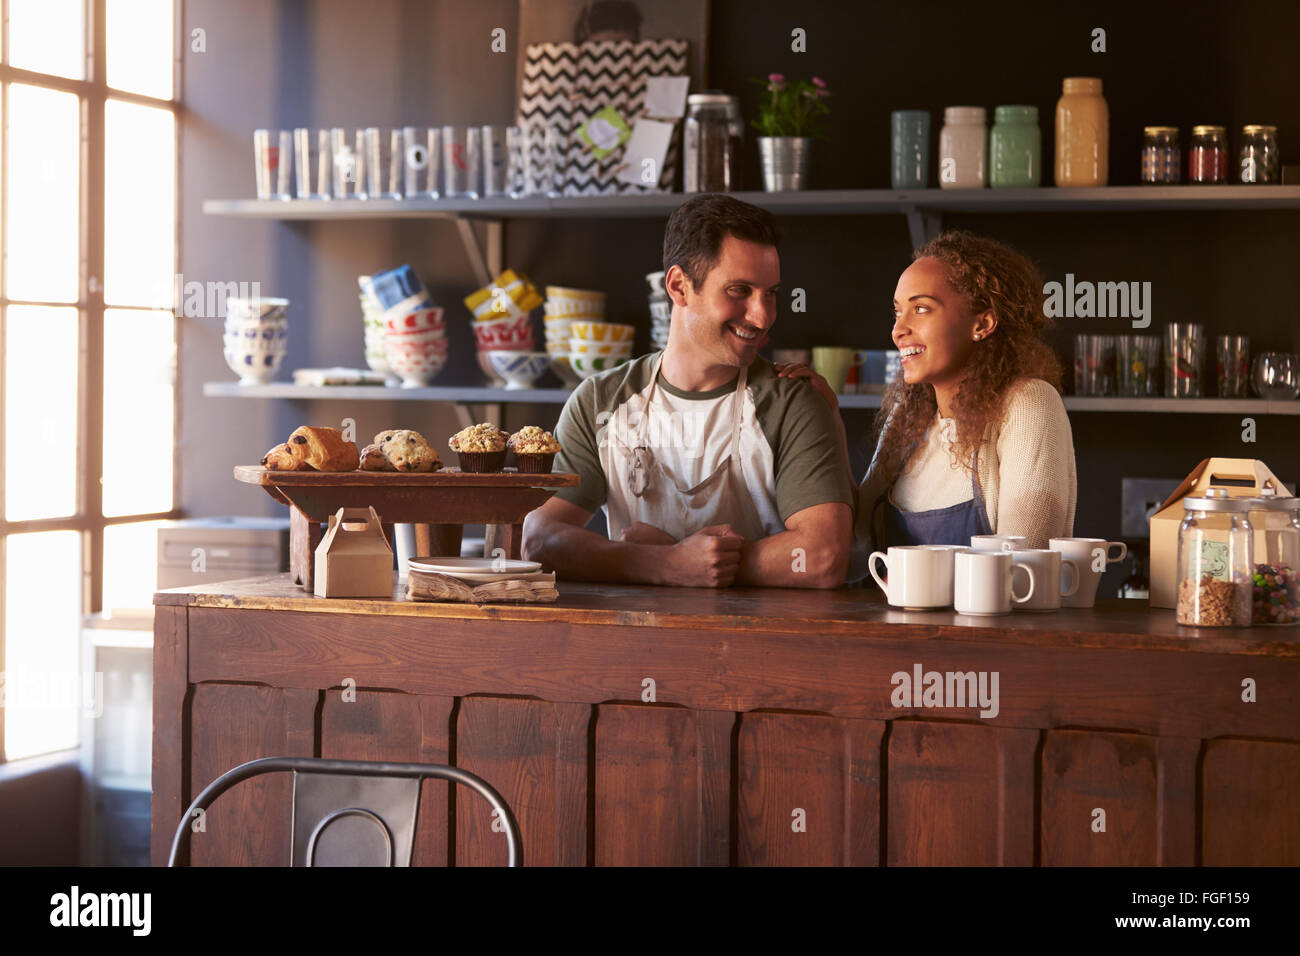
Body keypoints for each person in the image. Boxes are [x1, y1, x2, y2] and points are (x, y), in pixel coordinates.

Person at [523, 194, 855, 588]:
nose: (763, 315)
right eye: (739, 290)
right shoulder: (600, 401)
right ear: (680, 287)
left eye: (771, 293)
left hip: (763, 645)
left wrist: (692, 561)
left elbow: (822, 557)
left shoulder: (793, 401)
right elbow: (540, 540)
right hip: (631, 642)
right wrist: (662, 564)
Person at [775, 229, 1077, 581]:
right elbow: (858, 529)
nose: (898, 329)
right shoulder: (910, 414)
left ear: (983, 323)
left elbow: (1023, 568)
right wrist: (830, 419)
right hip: (899, 631)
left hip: (985, 635)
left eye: (921, 309)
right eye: (898, 312)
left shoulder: (1028, 404)